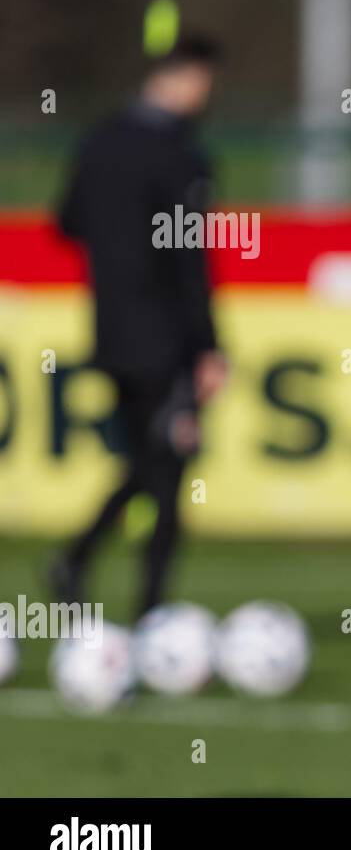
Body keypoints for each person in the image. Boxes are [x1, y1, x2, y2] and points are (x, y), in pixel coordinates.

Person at [51, 34, 229, 619]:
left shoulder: (98, 141)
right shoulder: (179, 154)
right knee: (168, 472)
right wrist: (206, 345)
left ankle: (75, 561)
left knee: (146, 463)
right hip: (167, 338)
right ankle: (149, 610)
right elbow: (190, 259)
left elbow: (67, 222)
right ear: (188, 77)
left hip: (112, 330)